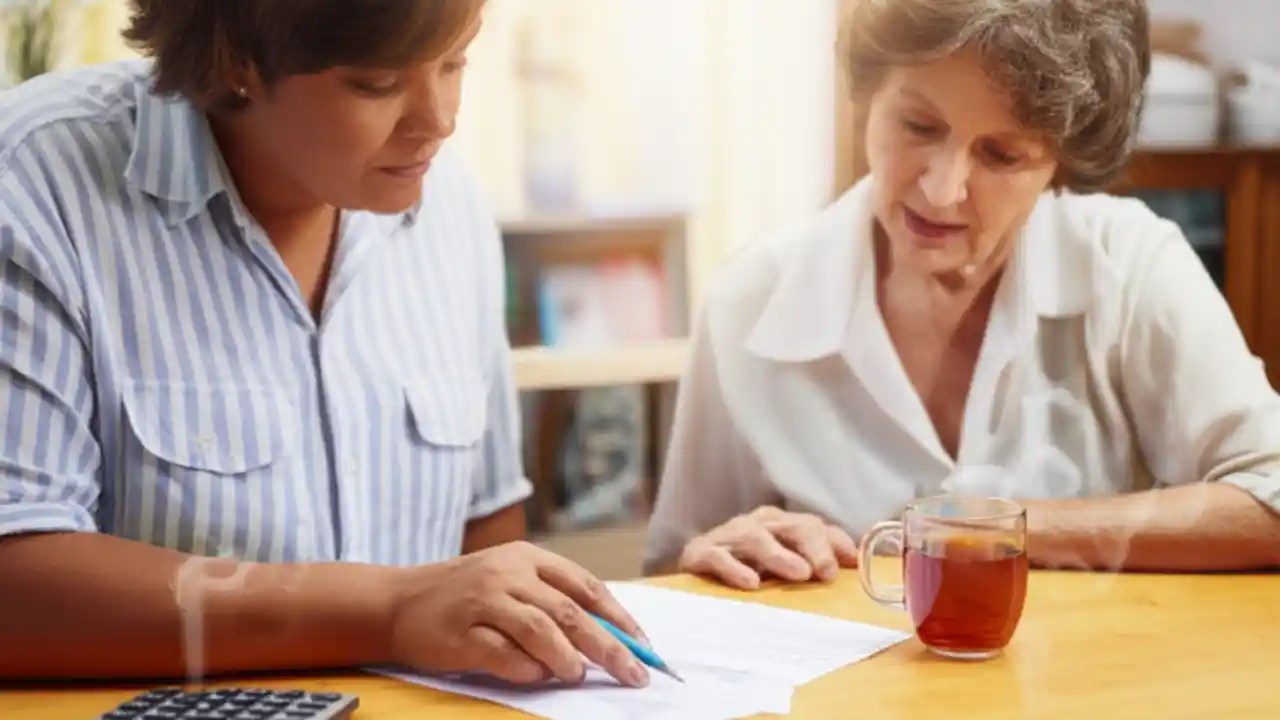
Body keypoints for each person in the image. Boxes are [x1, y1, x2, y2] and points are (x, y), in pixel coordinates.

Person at [0, 1, 652, 689]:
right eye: (377, 83)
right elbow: (13, 587)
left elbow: (486, 536)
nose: (440, 120)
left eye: (455, 62)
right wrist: (388, 611)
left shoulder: (449, 204)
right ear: (237, 60)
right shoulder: (35, 185)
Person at [645, 0, 1280, 589]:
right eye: (919, 125)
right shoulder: (750, 301)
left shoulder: (1129, 262)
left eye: (1002, 156)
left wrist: (997, 528)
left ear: (1061, 161)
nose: (943, 189)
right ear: (869, 97)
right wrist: (722, 554)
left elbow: (1271, 493)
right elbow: (674, 571)